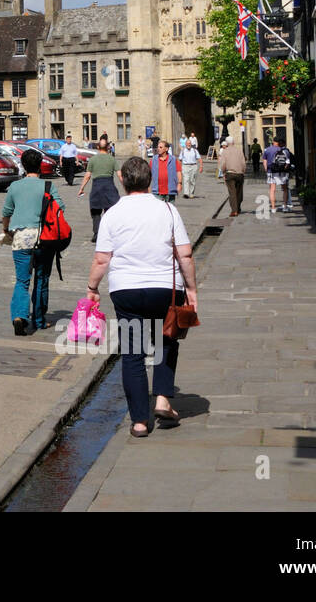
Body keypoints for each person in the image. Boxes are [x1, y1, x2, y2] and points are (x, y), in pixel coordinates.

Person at [89, 156, 199, 437]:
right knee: (167, 340)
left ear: (122, 180)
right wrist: (192, 289)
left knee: (133, 353)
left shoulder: (112, 214)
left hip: (126, 291)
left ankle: (139, 421)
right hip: (165, 288)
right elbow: (184, 254)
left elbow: (102, 259)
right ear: (150, 180)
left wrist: (92, 289)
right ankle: (162, 399)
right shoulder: (168, 210)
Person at [1, 147, 64, 336]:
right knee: (42, 279)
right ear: (40, 166)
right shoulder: (48, 186)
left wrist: (5, 229)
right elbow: (60, 208)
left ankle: (19, 316)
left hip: (21, 237)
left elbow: (6, 212)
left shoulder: (14, 187)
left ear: (23, 165)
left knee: (22, 280)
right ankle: (39, 319)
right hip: (44, 238)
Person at [77, 135, 120, 241]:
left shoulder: (93, 160)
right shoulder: (112, 159)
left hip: (97, 186)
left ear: (97, 147)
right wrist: (127, 188)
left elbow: (87, 176)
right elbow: (120, 175)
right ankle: (110, 234)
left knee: (96, 212)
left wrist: (81, 188)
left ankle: (97, 233)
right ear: (108, 148)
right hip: (109, 186)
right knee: (109, 211)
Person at [262, 137, 293, 212]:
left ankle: (273, 208)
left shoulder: (267, 150)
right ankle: (285, 206)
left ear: (273, 142)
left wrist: (266, 169)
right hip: (283, 172)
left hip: (271, 171)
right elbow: (288, 161)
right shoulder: (284, 150)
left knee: (272, 190)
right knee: (285, 189)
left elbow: (264, 161)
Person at [219, 135, 247, 216]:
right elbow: (243, 163)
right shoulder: (239, 151)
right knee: (239, 192)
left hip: (230, 173)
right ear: (233, 142)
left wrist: (223, 173)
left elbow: (223, 164)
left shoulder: (225, 151)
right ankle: (238, 208)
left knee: (232, 193)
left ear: (227, 143)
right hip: (239, 174)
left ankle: (234, 210)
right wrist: (243, 172)